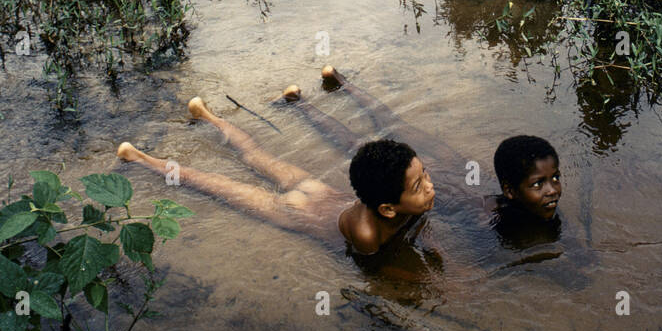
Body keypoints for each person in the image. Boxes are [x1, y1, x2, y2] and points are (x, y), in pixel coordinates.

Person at [117, 71, 437, 258]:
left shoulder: (389, 202)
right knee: (221, 185)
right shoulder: (368, 238)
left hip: (317, 191)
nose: (430, 186)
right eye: (419, 185)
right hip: (297, 209)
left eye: (425, 176)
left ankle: (205, 115)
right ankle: (140, 157)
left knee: (256, 155)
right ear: (388, 208)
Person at [487, 135, 563, 247]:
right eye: (537, 184)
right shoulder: (501, 228)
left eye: (555, 178)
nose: (552, 190)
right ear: (509, 190)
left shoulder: (545, 206)